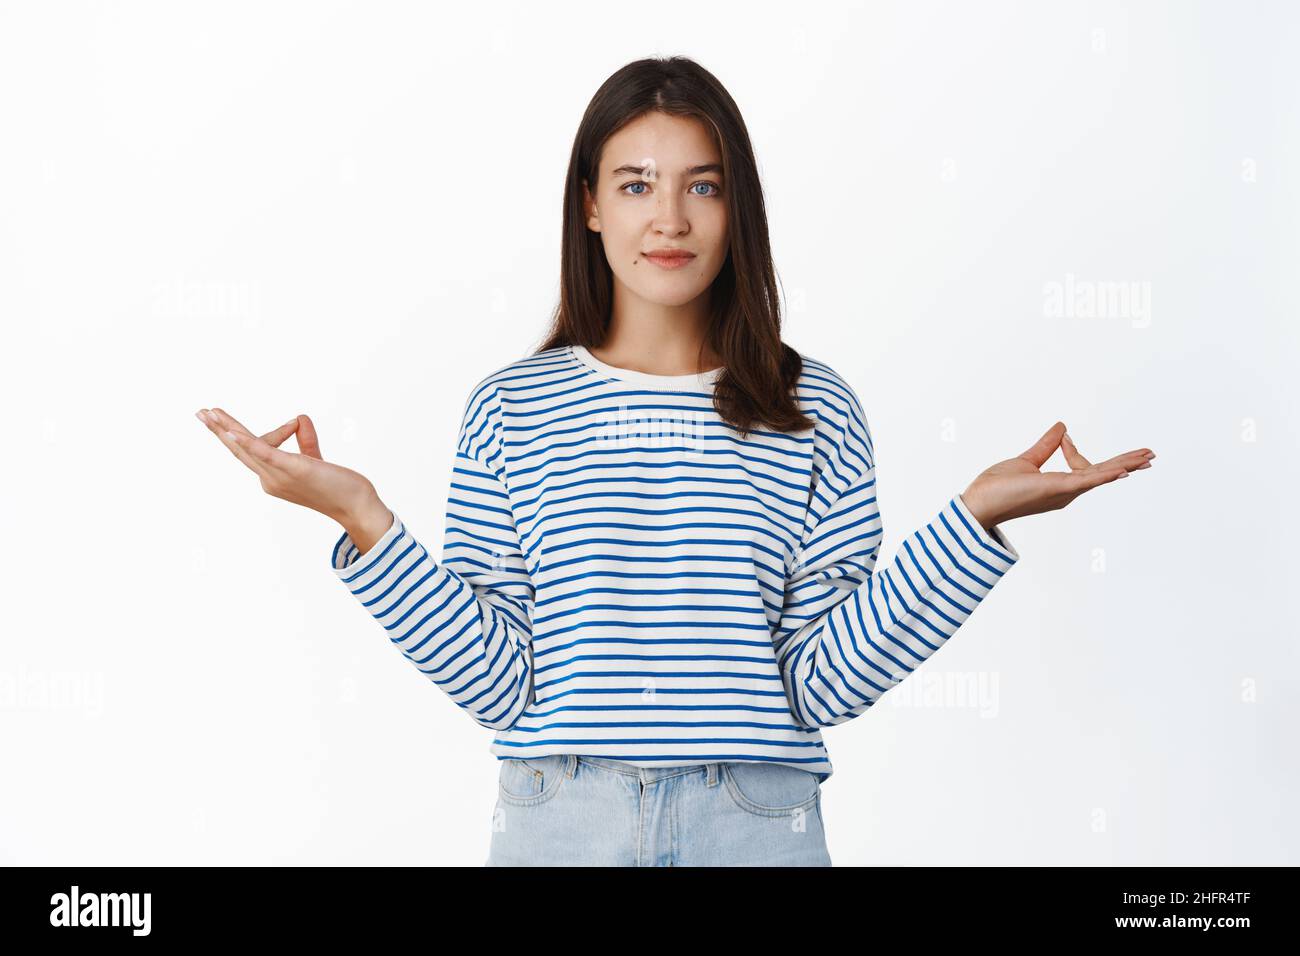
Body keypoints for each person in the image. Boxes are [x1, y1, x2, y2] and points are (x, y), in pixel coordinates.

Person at [195, 56, 1156, 866]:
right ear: (590, 207)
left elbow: (821, 682)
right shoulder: (511, 408)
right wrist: (363, 519)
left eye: (702, 185)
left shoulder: (812, 408)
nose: (671, 218)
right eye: (636, 184)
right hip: (559, 822)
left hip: (755, 824)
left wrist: (971, 524)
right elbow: (502, 683)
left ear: (737, 207)